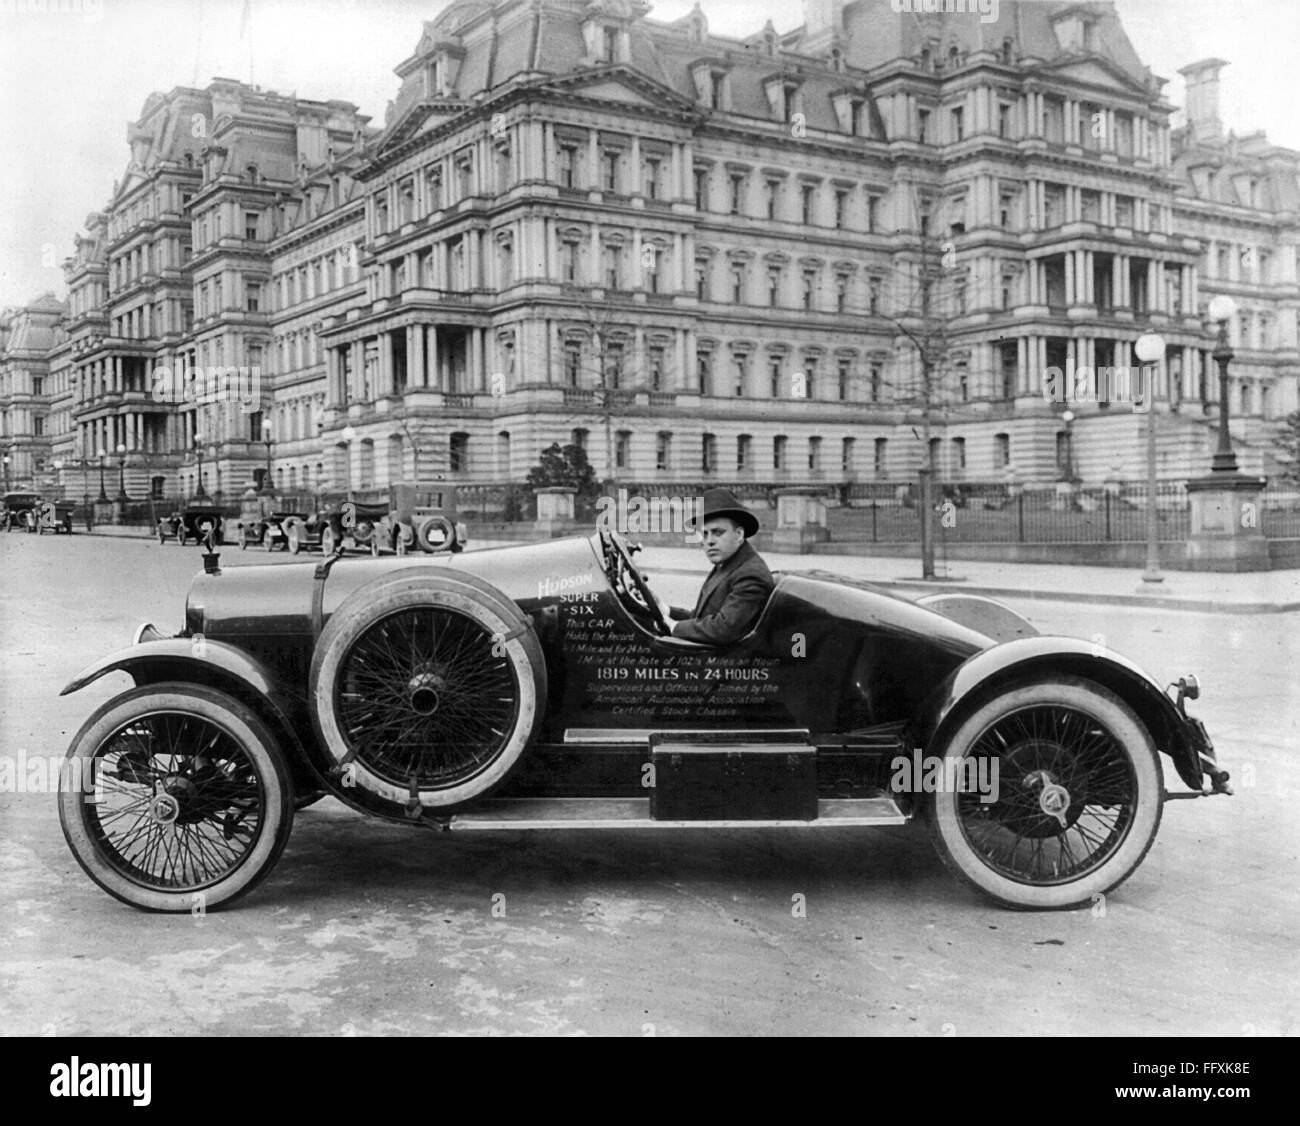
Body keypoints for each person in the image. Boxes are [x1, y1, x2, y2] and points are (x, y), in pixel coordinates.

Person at [665, 488, 774, 645]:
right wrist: (666, 610)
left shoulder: (750, 574)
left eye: (717, 533)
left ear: (738, 535)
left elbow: (723, 629)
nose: (709, 541)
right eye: (705, 534)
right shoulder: (729, 564)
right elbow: (702, 618)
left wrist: (674, 627)